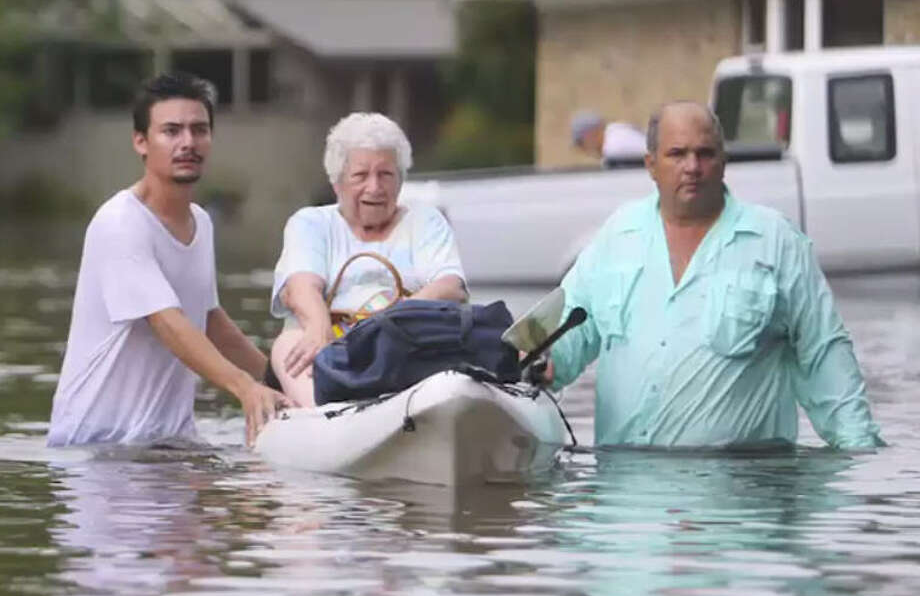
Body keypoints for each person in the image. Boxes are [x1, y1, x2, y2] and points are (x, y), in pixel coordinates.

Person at [547, 101, 881, 449]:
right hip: (624, 493)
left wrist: (858, 457)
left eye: (705, 153)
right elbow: (566, 326)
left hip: (739, 494)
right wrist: (544, 360)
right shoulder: (617, 236)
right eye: (677, 154)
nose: (692, 167)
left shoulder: (775, 242)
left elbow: (825, 357)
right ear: (651, 165)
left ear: (724, 162)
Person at [47, 73, 288, 448]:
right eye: (171, 131)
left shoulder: (201, 223)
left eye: (199, 130)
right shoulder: (121, 223)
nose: (188, 143)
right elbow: (166, 321)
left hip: (169, 444)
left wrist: (279, 382)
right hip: (100, 450)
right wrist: (245, 389)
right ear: (140, 142)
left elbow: (208, 320)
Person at [266, 112, 467, 407]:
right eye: (360, 176)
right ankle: (324, 416)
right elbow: (300, 289)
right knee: (289, 344)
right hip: (328, 344)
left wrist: (386, 324)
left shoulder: (426, 221)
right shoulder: (310, 223)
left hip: (405, 343)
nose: (374, 187)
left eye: (385, 174)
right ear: (338, 184)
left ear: (400, 180)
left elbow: (450, 286)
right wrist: (320, 327)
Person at [572, 109, 648, 163]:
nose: (584, 150)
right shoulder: (617, 131)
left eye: (581, 143)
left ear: (591, 134)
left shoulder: (613, 146)